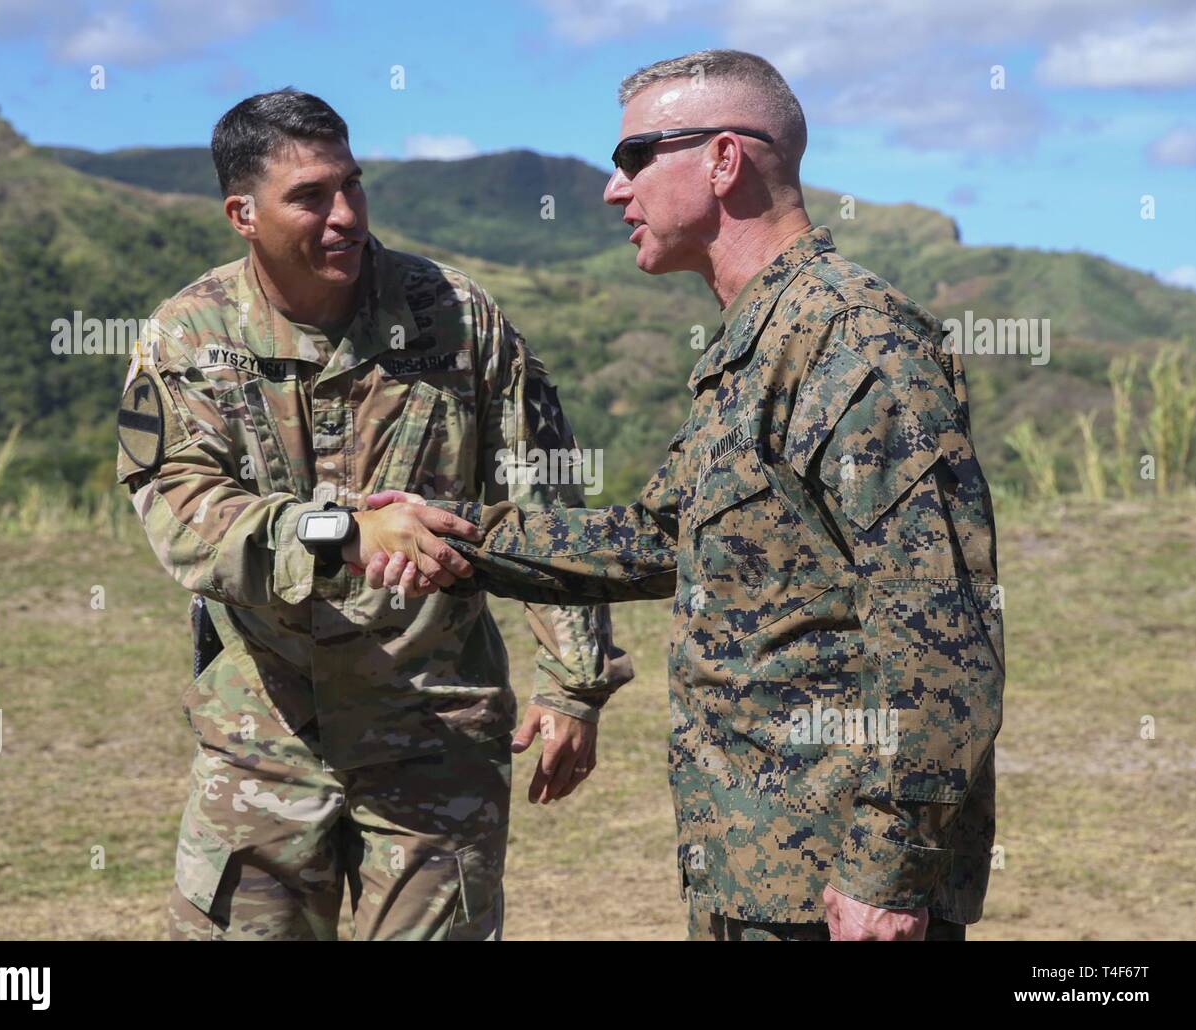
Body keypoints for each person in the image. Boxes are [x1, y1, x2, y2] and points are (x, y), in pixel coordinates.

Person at [350, 50, 1004, 941]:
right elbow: (659, 537)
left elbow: (941, 626)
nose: (613, 190)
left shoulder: (853, 340)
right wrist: (451, 535)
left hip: (839, 886)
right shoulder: (758, 343)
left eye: (634, 158)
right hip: (757, 869)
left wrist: (888, 868)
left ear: (724, 159)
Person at [115, 88, 630, 940]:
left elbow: (543, 496)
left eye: (352, 184)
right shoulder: (188, 338)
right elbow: (187, 517)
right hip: (264, 739)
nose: (346, 215)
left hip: (435, 731)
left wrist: (575, 684)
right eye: (310, 196)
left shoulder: (455, 316)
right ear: (243, 214)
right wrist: (343, 533)